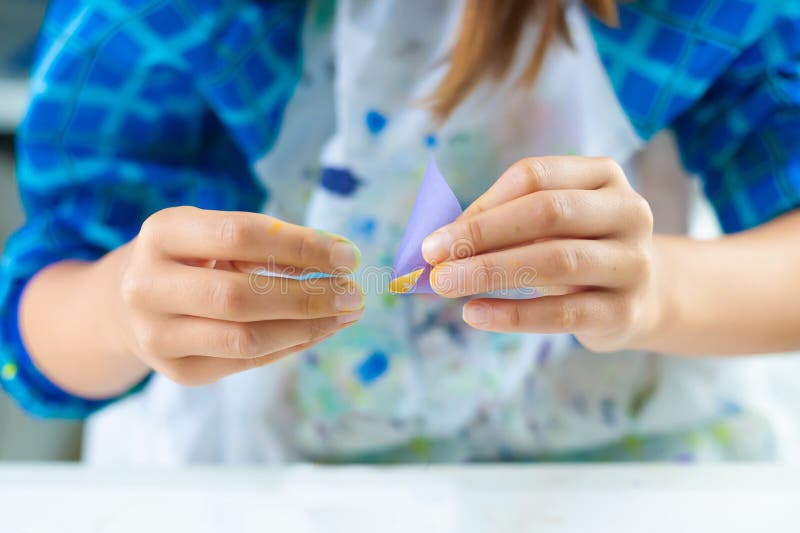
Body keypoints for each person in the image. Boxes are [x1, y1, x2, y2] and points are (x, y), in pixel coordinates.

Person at [1, 0, 799, 464]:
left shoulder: (700, 16)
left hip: (632, 470)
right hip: (258, 481)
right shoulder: (155, 18)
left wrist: (654, 289)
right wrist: (118, 309)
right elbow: (33, 321)